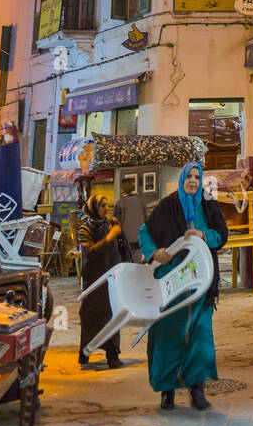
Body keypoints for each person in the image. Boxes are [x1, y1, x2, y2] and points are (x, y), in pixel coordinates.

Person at [138, 161, 228, 412]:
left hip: (201, 283)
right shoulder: (167, 205)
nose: (193, 181)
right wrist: (155, 252)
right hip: (171, 284)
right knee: (168, 336)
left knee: (199, 335)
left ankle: (197, 389)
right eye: (189, 176)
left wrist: (203, 234)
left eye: (197, 177)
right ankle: (167, 391)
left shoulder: (209, 205)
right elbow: (144, 232)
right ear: (181, 179)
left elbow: (222, 234)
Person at [77, 194, 124, 370]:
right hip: (94, 279)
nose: (107, 208)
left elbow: (122, 246)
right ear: (94, 208)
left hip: (112, 277)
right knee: (90, 316)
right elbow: (89, 252)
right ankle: (85, 352)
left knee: (113, 315)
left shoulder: (111, 223)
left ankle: (112, 356)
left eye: (107, 205)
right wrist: (109, 237)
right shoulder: (85, 229)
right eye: (103, 205)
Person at [114, 179, 149, 262]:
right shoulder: (142, 202)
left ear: (122, 189)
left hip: (126, 240)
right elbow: (146, 219)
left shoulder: (120, 203)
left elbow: (115, 222)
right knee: (139, 262)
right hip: (140, 238)